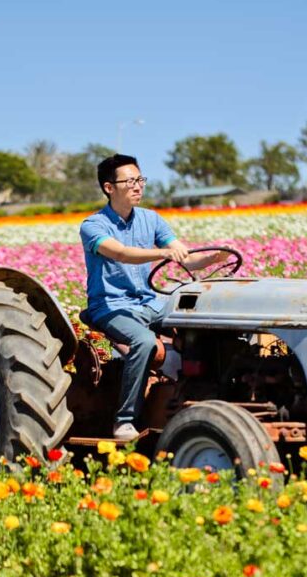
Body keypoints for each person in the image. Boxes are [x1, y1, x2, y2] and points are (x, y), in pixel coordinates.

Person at [80, 153, 221, 440]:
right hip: (110, 305)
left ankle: (205, 396)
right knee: (143, 341)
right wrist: (162, 253)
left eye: (140, 179)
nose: (138, 186)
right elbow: (121, 253)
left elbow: (187, 259)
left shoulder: (151, 219)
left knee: (207, 320)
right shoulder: (93, 226)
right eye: (130, 181)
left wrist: (214, 257)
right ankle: (125, 420)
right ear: (109, 187)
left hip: (150, 302)